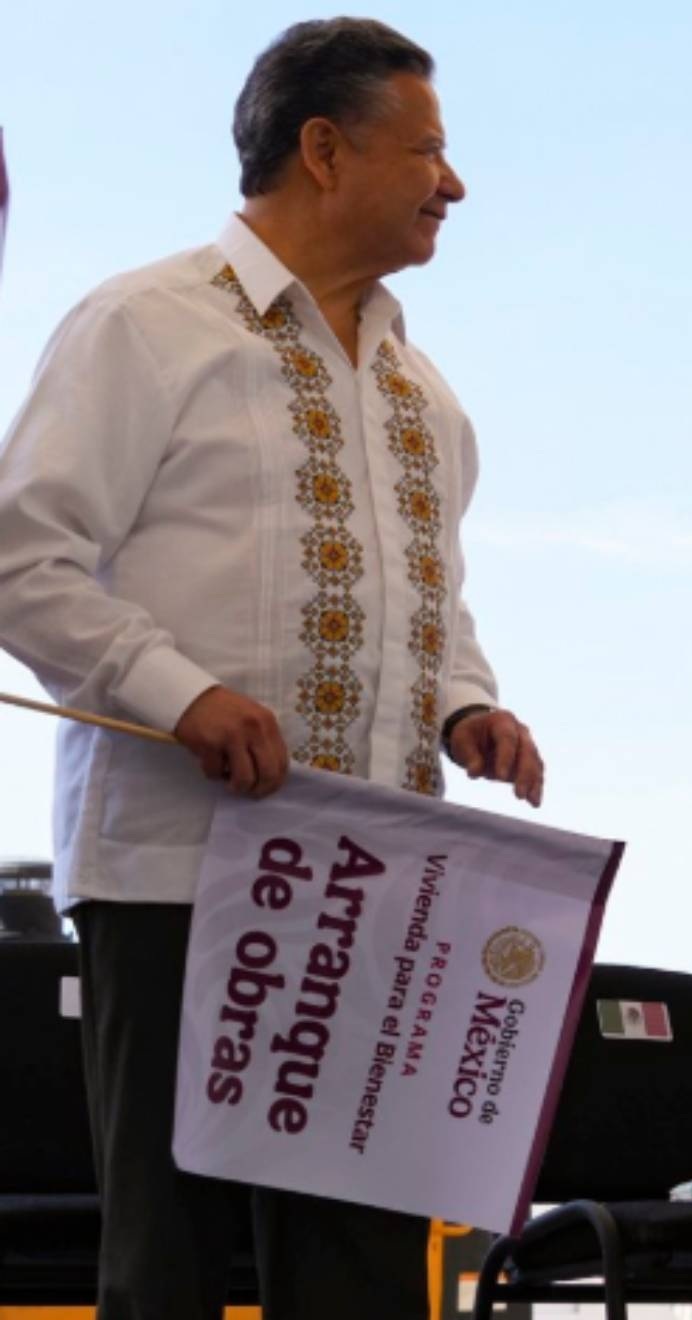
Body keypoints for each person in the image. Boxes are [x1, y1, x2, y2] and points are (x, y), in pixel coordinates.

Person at [0, 19, 542, 1319]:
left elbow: (435, 600)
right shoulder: (143, 324)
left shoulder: (430, 396)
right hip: (180, 880)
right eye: (428, 150)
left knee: (360, 1277)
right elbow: (22, 554)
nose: (453, 184)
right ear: (322, 148)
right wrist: (178, 692)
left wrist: (469, 702)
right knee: (174, 1266)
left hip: (377, 897)